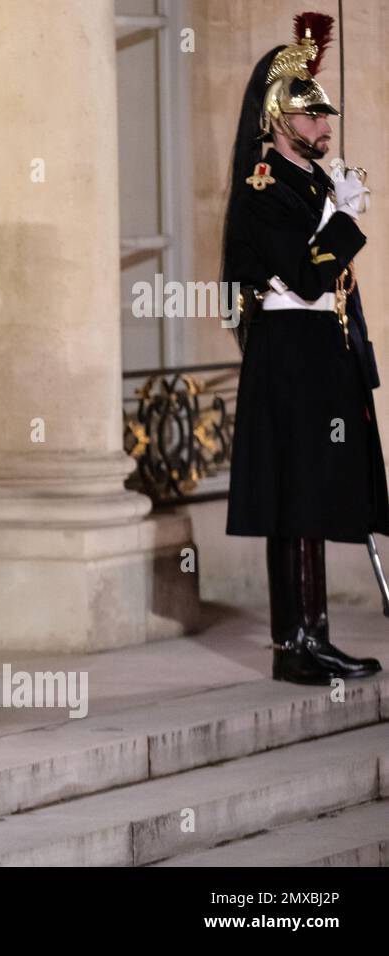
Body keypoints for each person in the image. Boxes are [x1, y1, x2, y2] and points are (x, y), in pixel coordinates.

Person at [223, 12, 383, 684]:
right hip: (288, 351)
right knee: (293, 498)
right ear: (276, 117)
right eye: (310, 115)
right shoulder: (265, 183)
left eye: (326, 116)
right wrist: (344, 219)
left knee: (314, 494)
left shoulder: (310, 183)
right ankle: (294, 643)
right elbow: (311, 271)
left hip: (321, 349)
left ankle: (316, 633)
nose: (323, 127)